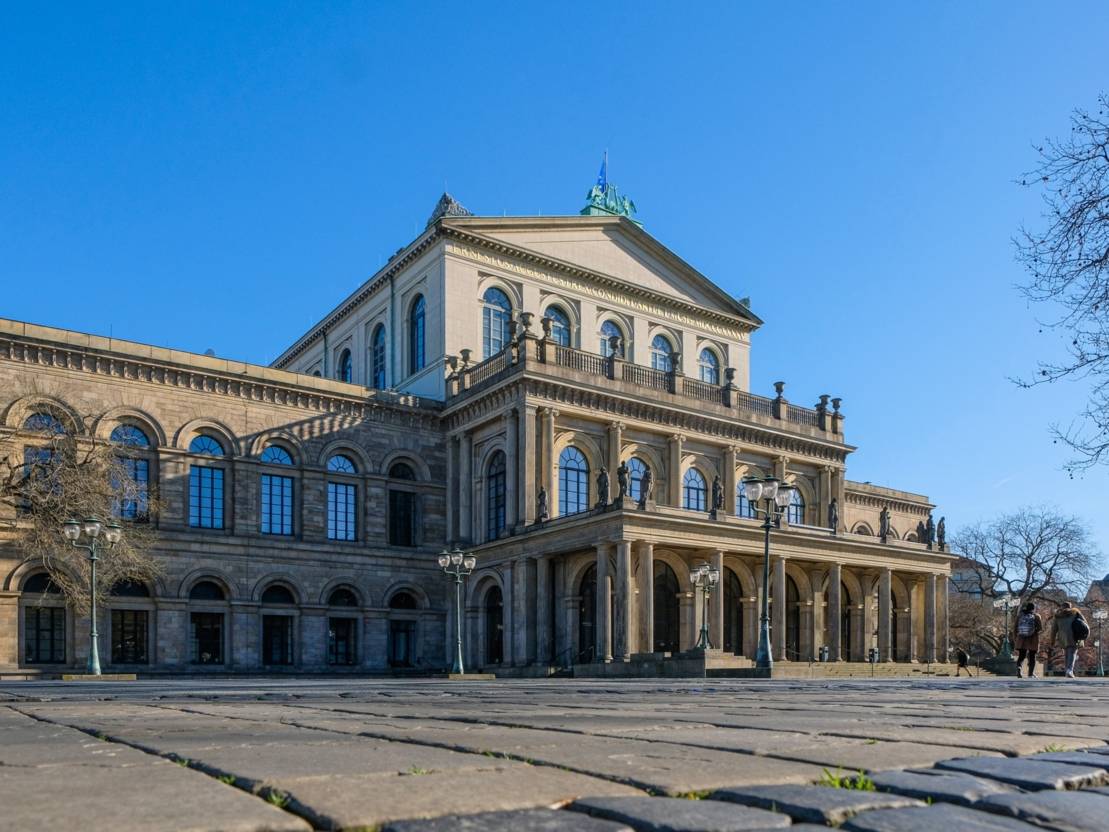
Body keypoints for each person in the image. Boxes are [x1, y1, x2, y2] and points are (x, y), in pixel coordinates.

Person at [1049, 601, 1088, 678]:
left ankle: (1067, 670)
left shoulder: (1057, 616)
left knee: (1067, 653)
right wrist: (1084, 635)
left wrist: (1052, 641)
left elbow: (1053, 630)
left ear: (1061, 607)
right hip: (1074, 635)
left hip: (1062, 637)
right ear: (1070, 607)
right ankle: (1069, 670)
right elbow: (1085, 623)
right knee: (1072, 653)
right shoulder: (1076, 613)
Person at [1012, 600, 1043, 679]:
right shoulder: (1036, 616)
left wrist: (1016, 639)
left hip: (1021, 639)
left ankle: (1019, 668)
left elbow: (1015, 628)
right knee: (1032, 656)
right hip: (1033, 639)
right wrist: (1034, 630)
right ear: (1033, 608)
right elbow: (1040, 628)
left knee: (1021, 656)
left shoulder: (1020, 616)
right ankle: (1030, 674)